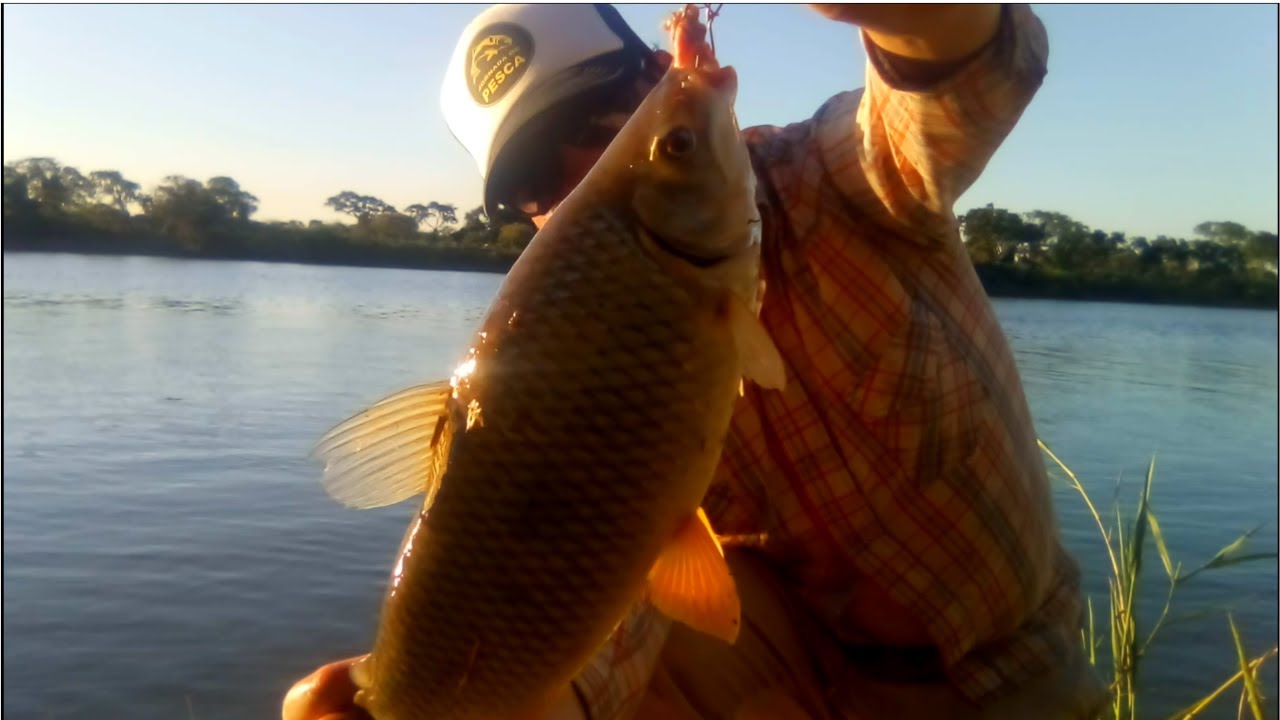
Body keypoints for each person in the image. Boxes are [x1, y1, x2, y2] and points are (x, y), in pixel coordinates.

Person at [283, 4, 1110, 719]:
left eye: (603, 129)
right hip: (776, 675)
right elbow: (606, 604)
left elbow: (961, 82)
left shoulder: (841, 176)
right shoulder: (545, 360)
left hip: (1005, 679)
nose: (578, 184)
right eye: (536, 180)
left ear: (659, 73)